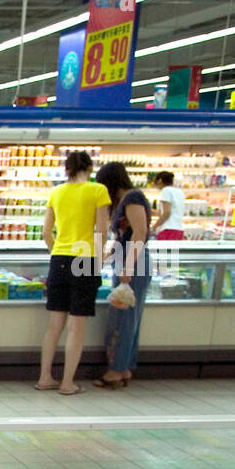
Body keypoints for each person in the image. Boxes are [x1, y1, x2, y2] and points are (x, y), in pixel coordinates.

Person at [37, 150, 110, 396]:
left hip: (59, 258)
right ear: (89, 168)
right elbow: (101, 231)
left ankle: (45, 377)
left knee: (54, 324)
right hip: (85, 258)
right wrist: (98, 261)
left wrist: (57, 250)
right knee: (76, 326)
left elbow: (46, 233)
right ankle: (67, 382)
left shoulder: (56, 192)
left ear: (66, 168)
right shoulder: (98, 190)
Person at [94, 162, 151, 389]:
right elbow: (124, 237)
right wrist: (105, 259)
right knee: (127, 317)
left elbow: (140, 232)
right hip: (128, 260)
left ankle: (116, 371)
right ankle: (124, 367)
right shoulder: (126, 201)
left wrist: (128, 267)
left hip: (133, 263)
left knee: (124, 318)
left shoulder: (133, 198)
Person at [150, 171, 185, 241]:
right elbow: (171, 211)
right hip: (179, 229)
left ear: (160, 181)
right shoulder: (179, 192)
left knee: (164, 251)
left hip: (168, 230)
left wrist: (154, 227)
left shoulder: (166, 190)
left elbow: (167, 212)